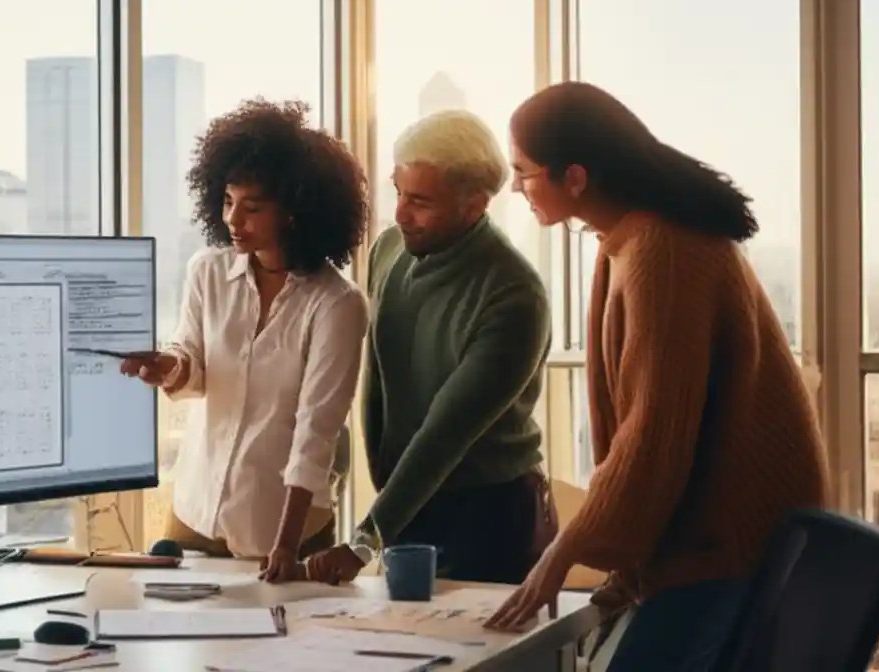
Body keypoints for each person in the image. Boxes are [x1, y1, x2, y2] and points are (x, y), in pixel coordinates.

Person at [486, 82, 829, 670]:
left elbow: (652, 434)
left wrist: (564, 551)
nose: (515, 187)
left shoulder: (661, 253)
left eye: (523, 172)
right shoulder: (626, 241)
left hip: (733, 547)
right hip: (713, 545)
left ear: (575, 178)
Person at [120, 98, 369, 583]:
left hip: (282, 529)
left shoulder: (337, 304)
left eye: (253, 207)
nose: (234, 219)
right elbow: (191, 358)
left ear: (296, 211)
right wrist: (170, 367)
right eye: (229, 201)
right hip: (194, 515)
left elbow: (316, 433)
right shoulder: (207, 272)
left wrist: (285, 545)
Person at [306, 109, 556, 586]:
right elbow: (378, 381)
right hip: (404, 504)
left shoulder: (514, 294)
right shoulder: (388, 250)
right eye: (398, 192)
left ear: (474, 205)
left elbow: (445, 434)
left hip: (490, 516)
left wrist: (365, 539)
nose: (400, 214)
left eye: (420, 201)